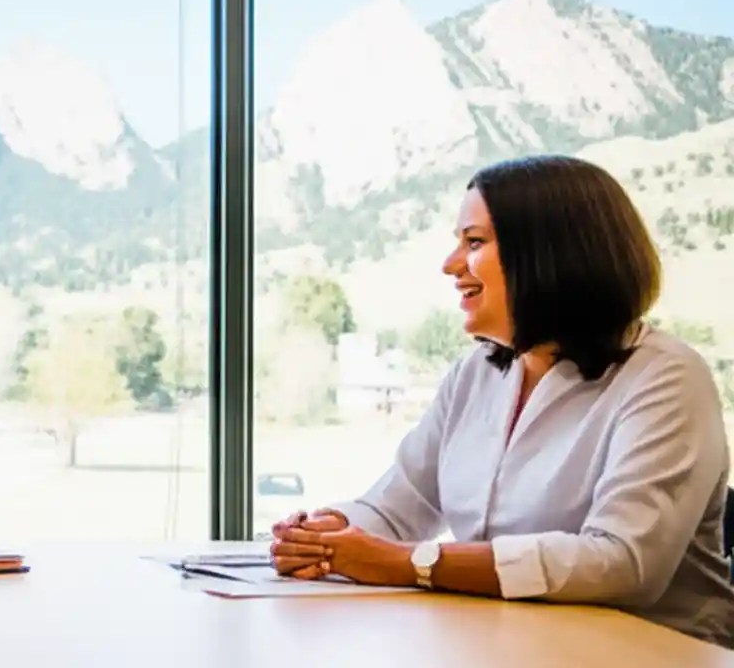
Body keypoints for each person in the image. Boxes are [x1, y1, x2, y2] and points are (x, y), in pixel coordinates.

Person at [271, 155, 734, 649]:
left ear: (546, 256)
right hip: (514, 647)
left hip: (656, 654)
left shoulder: (666, 377)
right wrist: (326, 535)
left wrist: (409, 564)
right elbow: (401, 504)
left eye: (473, 243)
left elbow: (621, 564)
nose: (450, 265)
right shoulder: (477, 374)